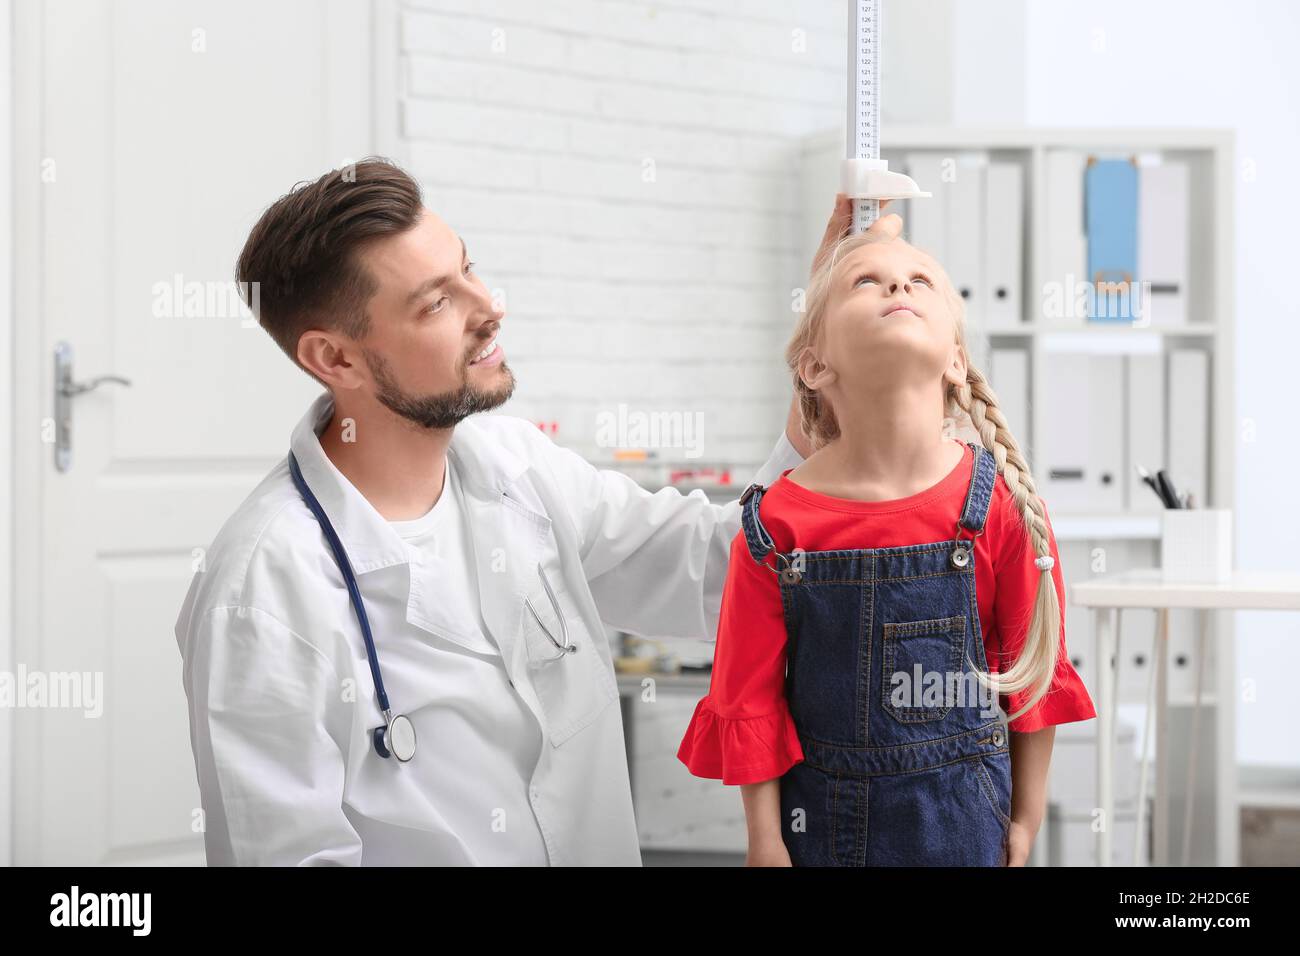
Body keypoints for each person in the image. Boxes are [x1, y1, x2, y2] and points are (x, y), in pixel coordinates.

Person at [173, 159, 885, 865]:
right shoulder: (263, 589)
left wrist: (823, 354)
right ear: (336, 358)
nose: (489, 306)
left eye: (468, 269)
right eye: (436, 302)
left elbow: (718, 570)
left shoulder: (514, 465)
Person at [676, 224, 1097, 866]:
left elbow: (1035, 679)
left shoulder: (1006, 510)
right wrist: (765, 839)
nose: (898, 284)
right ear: (815, 365)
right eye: (865, 280)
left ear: (956, 357)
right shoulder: (777, 523)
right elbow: (747, 698)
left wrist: (1026, 816)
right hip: (817, 832)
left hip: (965, 825)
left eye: (920, 279)